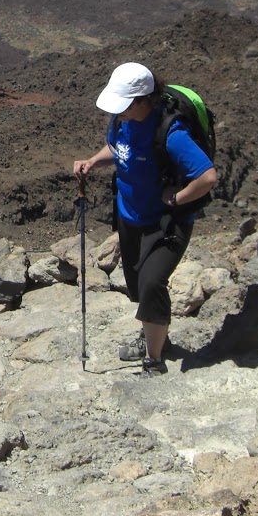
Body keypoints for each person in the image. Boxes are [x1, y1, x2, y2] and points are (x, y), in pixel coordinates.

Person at [73, 63, 216, 374]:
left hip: (166, 221)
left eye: (123, 105)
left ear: (143, 100)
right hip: (130, 216)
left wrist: (177, 197)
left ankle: (153, 359)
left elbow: (207, 176)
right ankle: (152, 334)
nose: (117, 112)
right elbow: (119, 148)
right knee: (138, 285)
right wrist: (94, 161)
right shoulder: (123, 121)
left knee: (152, 284)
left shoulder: (170, 132)